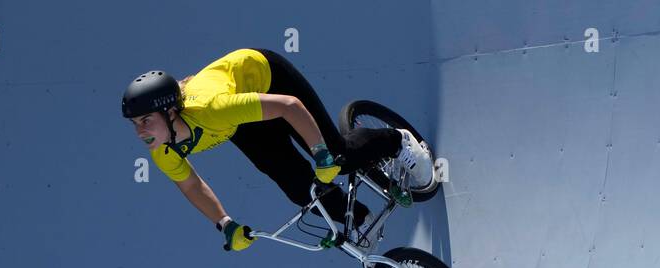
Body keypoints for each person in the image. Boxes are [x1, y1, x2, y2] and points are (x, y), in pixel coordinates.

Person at [121, 48, 433, 251]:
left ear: (170, 113)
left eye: (146, 120)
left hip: (270, 81)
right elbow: (190, 184)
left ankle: (397, 141)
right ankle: (360, 218)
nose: (140, 131)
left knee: (340, 157)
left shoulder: (212, 109)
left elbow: (289, 106)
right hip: (242, 120)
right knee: (300, 189)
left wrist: (322, 154)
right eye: (135, 123)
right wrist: (225, 224)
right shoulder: (163, 151)